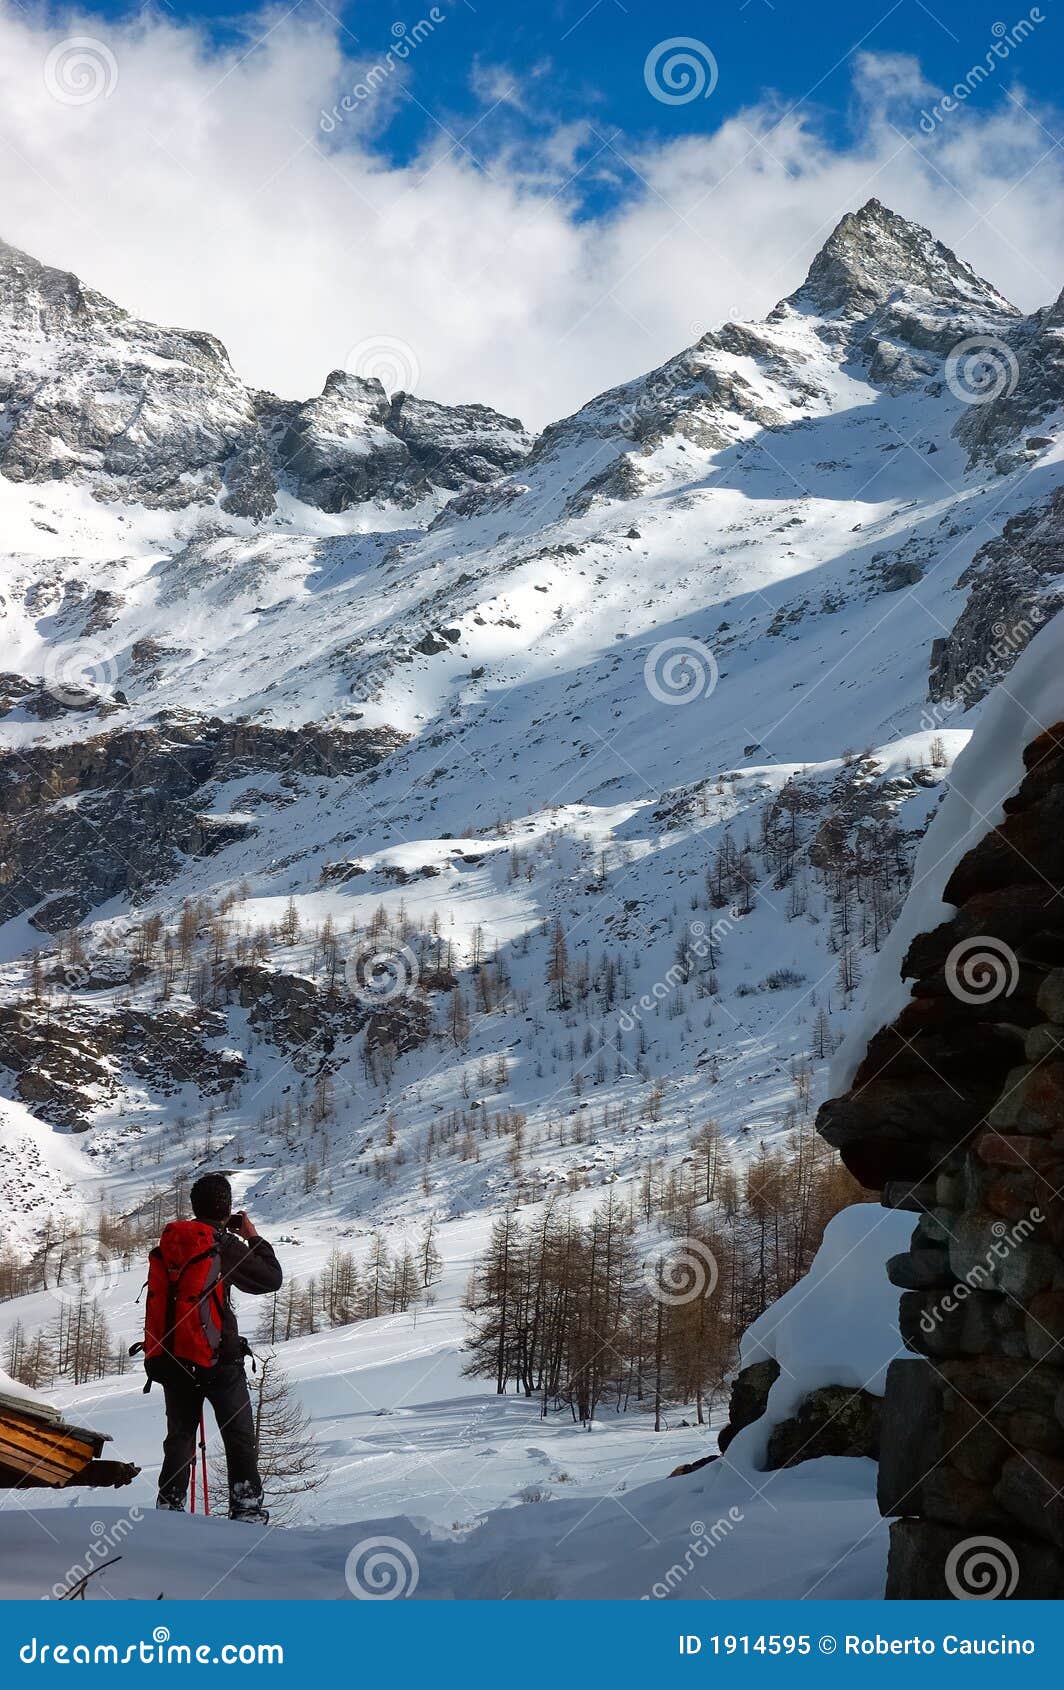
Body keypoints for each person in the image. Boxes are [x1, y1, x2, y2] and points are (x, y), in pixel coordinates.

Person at [154, 1174, 283, 1523]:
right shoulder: (223, 1244)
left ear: (195, 1207)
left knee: (179, 1437)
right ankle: (246, 1511)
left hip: (175, 1357)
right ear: (227, 1208)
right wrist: (252, 1235)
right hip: (219, 1362)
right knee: (238, 1436)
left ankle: (169, 1509)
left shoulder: (173, 1241)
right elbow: (270, 1279)